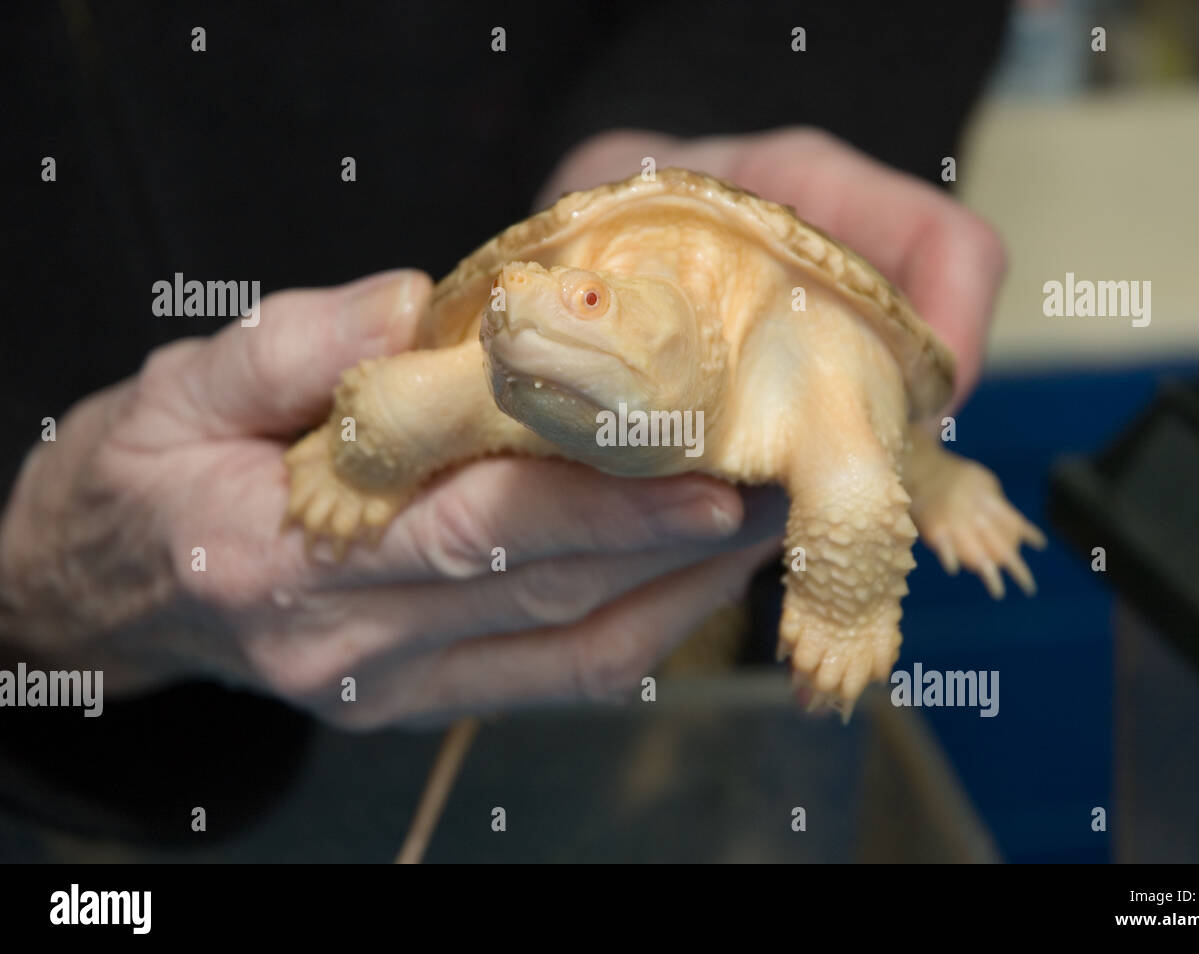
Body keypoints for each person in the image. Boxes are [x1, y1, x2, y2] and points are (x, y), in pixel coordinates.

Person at [0, 2, 1011, 841]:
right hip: (111, 776)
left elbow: (849, 485)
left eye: (579, 306)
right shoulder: (513, 350)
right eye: (513, 312)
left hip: (689, 684)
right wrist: (358, 470)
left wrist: (844, 609)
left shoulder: (795, 339)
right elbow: (397, 402)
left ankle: (947, 484)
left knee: (873, 455)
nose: (518, 318)